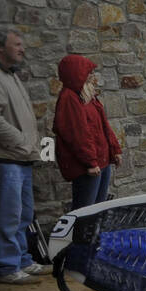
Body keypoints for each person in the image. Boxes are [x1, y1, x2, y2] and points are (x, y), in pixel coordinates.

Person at [0, 31, 44, 285]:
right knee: (8, 216)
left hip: (22, 159)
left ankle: (23, 260)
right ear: (0, 48)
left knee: (24, 215)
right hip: (8, 160)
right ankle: (7, 266)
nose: (22, 49)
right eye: (16, 44)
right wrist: (23, 142)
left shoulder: (12, 76)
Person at [53, 54, 121, 210]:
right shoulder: (69, 98)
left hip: (101, 162)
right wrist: (90, 162)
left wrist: (114, 150)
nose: (91, 75)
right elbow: (78, 135)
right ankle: (82, 236)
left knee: (98, 210)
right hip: (88, 167)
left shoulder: (87, 93)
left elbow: (103, 126)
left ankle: (94, 235)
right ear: (76, 72)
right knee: (85, 212)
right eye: (88, 72)